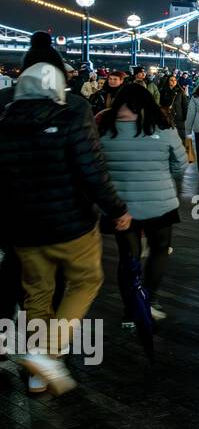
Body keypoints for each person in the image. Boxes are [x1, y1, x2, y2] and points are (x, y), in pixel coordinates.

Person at [0, 62, 131, 395]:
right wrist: (116, 209)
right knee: (85, 281)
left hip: (23, 228)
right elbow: (92, 171)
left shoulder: (4, 123)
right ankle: (46, 355)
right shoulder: (71, 116)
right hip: (72, 224)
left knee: (36, 295)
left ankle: (36, 375)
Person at [97, 82, 186, 324]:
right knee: (159, 249)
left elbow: (96, 168)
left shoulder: (104, 130)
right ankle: (150, 299)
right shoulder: (163, 128)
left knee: (129, 257)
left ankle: (130, 310)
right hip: (161, 203)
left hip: (120, 206)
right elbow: (180, 165)